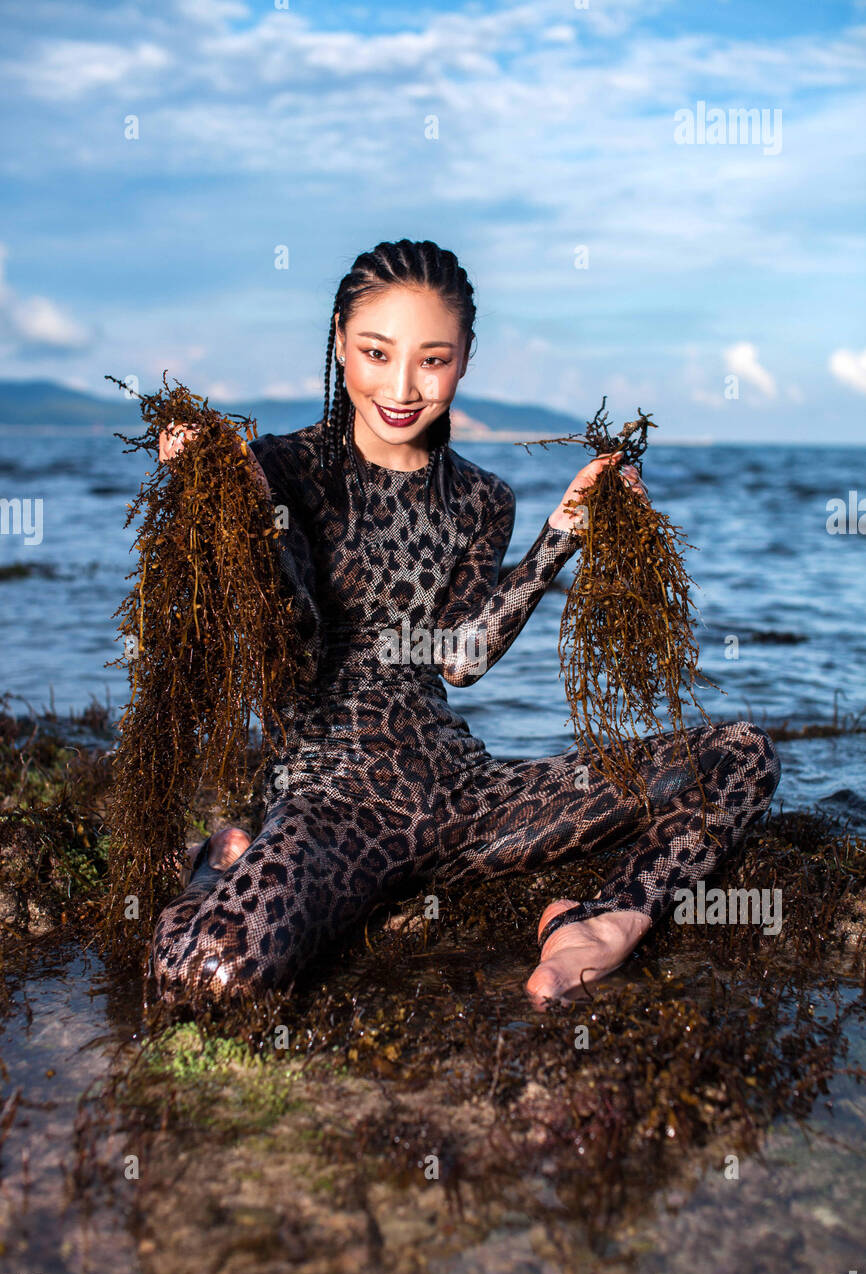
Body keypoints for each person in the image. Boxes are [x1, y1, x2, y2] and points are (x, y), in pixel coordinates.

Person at [150, 238, 781, 1009]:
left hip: (461, 794)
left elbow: (458, 659)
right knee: (204, 977)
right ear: (340, 342)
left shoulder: (484, 498)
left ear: (465, 358)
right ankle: (218, 864)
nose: (403, 387)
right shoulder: (278, 468)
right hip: (332, 801)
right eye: (377, 353)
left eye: (433, 359)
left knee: (741, 756)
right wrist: (240, 506)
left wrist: (563, 534)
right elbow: (295, 645)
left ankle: (600, 921)